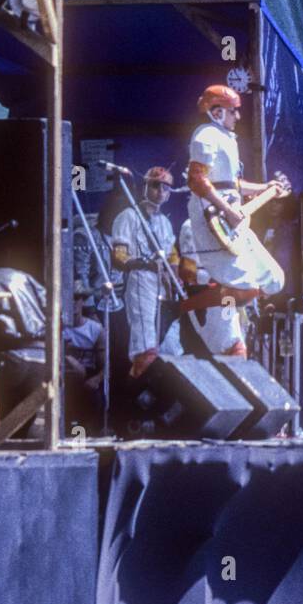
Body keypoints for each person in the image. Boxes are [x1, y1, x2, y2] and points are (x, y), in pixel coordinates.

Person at [186, 85, 288, 357]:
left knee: (275, 280)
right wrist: (228, 210)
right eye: (234, 111)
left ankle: (221, 303)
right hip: (215, 218)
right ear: (217, 112)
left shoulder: (227, 138)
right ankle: (198, 304)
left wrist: (266, 188)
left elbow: (232, 183)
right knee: (243, 287)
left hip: (234, 219)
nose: (238, 117)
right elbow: (196, 180)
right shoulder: (206, 135)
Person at [111, 167, 179, 378]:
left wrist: (175, 278)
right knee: (145, 344)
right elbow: (118, 256)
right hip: (140, 280)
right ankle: (139, 391)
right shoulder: (128, 216)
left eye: (165, 188)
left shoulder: (165, 223)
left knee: (171, 346)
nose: (160, 191)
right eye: (155, 186)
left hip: (164, 285)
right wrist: (144, 264)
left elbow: (173, 256)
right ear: (146, 187)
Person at [62, 282, 105, 432]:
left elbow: (105, 366)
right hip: (64, 378)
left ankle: (84, 438)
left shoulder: (95, 329)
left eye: (76, 298)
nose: (72, 302)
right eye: (68, 298)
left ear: (82, 301)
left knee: (94, 400)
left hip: (86, 379)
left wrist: (96, 379)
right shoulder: (57, 327)